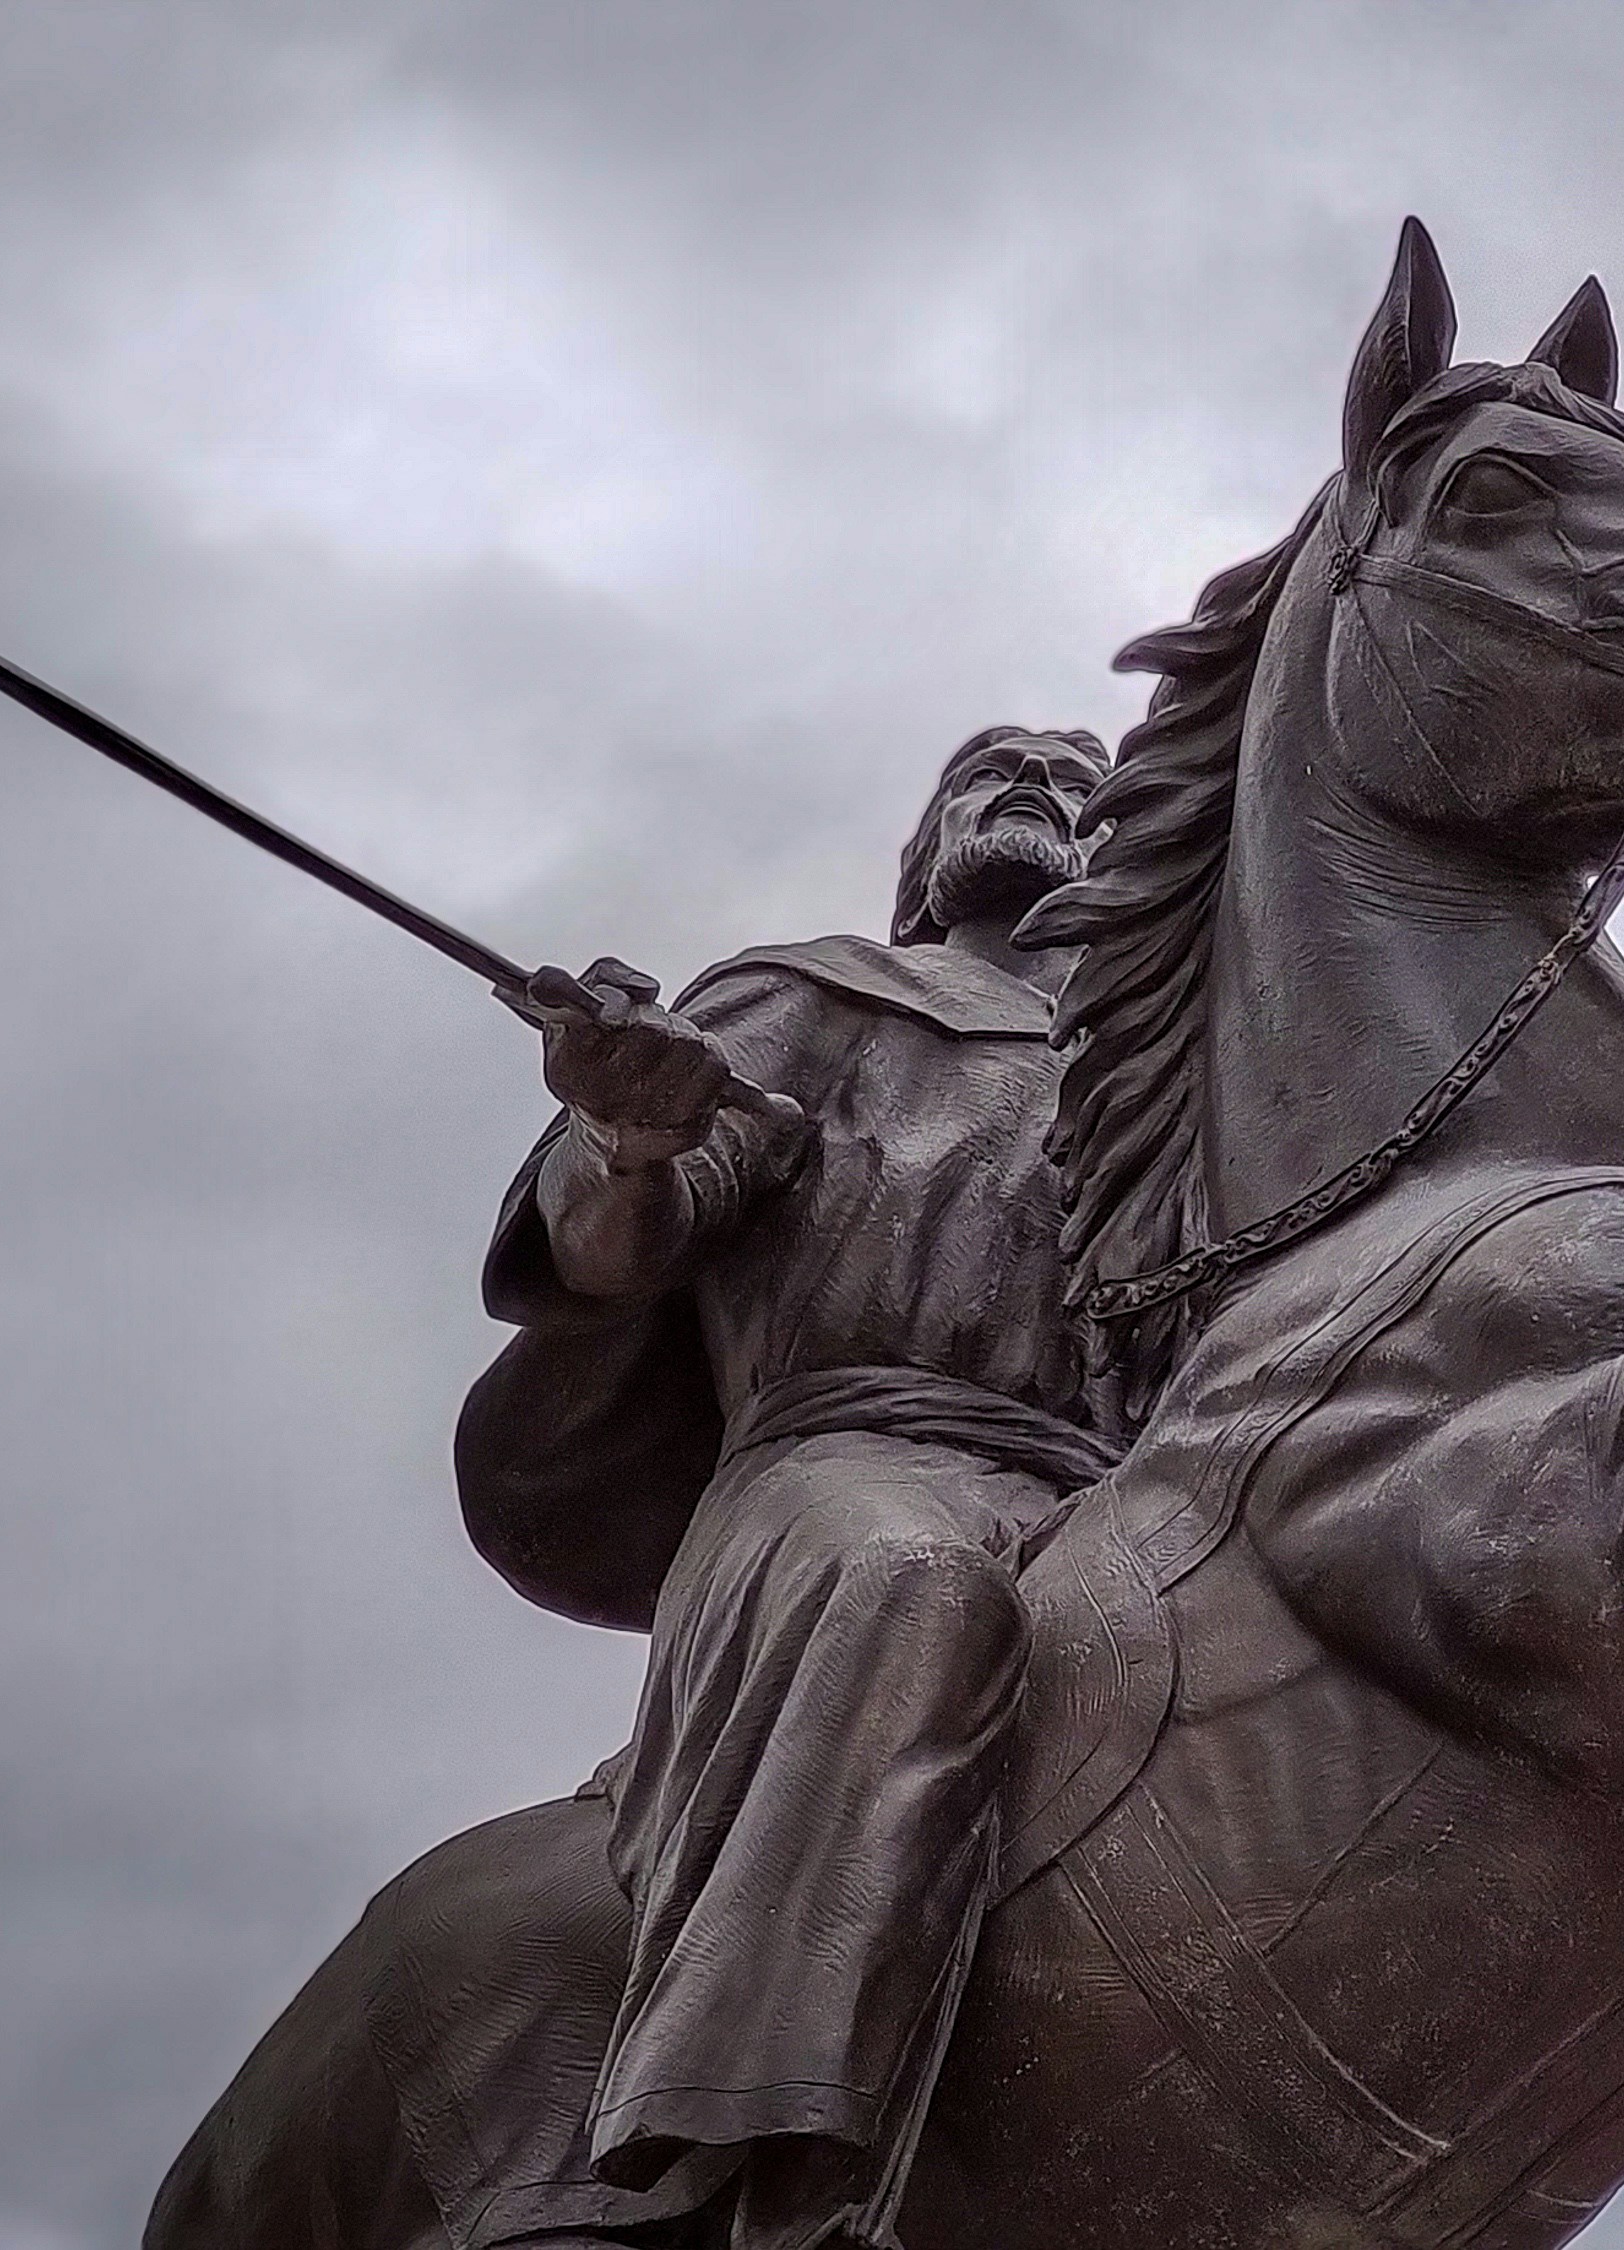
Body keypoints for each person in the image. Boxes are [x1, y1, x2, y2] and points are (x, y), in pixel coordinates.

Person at [454, 724, 1120, 2250]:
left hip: (1124, 1498)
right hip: (851, 1468)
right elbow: (624, 1232)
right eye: (988, 768)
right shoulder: (821, 991)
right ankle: (754, 2170)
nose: (1029, 784)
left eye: (1076, 781)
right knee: (913, 1584)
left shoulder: (1187, 1070)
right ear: (923, 854)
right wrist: (628, 1133)